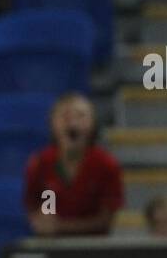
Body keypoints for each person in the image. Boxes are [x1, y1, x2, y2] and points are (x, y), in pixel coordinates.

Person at [24, 92, 123, 236]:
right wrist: (42, 220)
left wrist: (61, 227)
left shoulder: (106, 165)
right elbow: (42, 205)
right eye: (65, 116)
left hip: (93, 247)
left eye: (80, 116)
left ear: (93, 123)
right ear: (52, 123)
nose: (72, 123)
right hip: (51, 244)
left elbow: (105, 220)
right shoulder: (41, 163)